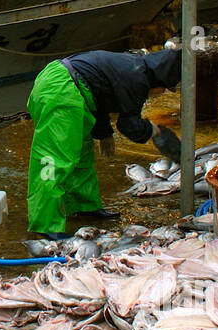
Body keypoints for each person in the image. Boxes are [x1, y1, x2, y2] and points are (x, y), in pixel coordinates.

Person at [26, 49, 184, 238]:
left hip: (77, 91)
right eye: (166, 88)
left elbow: (101, 95)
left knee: (82, 155)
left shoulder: (135, 67)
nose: (163, 92)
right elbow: (128, 125)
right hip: (60, 89)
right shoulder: (137, 78)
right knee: (53, 161)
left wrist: (104, 133)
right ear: (161, 80)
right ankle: (45, 225)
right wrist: (154, 130)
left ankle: (83, 206)